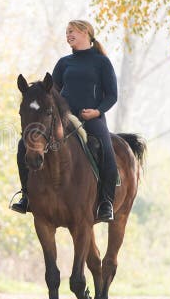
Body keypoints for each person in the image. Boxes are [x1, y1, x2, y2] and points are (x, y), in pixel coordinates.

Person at [11, 20, 119, 222]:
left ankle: (106, 202)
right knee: (22, 145)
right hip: (65, 118)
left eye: (72, 32)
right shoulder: (63, 63)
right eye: (67, 32)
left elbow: (112, 95)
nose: (68, 35)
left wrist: (97, 112)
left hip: (91, 118)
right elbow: (51, 92)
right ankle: (26, 195)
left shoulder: (102, 62)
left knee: (106, 151)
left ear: (86, 32)